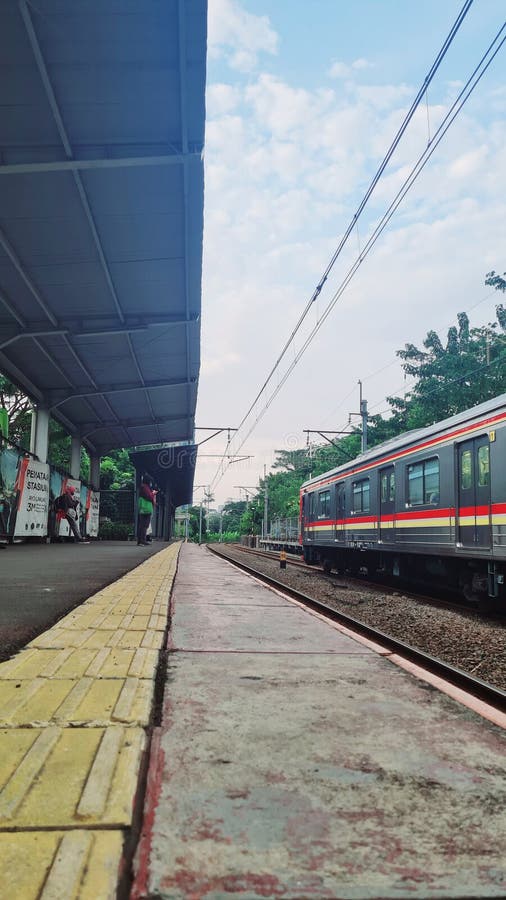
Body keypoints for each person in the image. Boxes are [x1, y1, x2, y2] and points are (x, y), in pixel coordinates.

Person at [137, 476, 155, 546]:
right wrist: (153, 493)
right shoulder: (145, 487)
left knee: (142, 525)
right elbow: (149, 496)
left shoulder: (143, 487)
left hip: (143, 508)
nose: (151, 483)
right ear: (148, 481)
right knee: (144, 525)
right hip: (146, 508)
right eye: (150, 481)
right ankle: (142, 541)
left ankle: (141, 541)